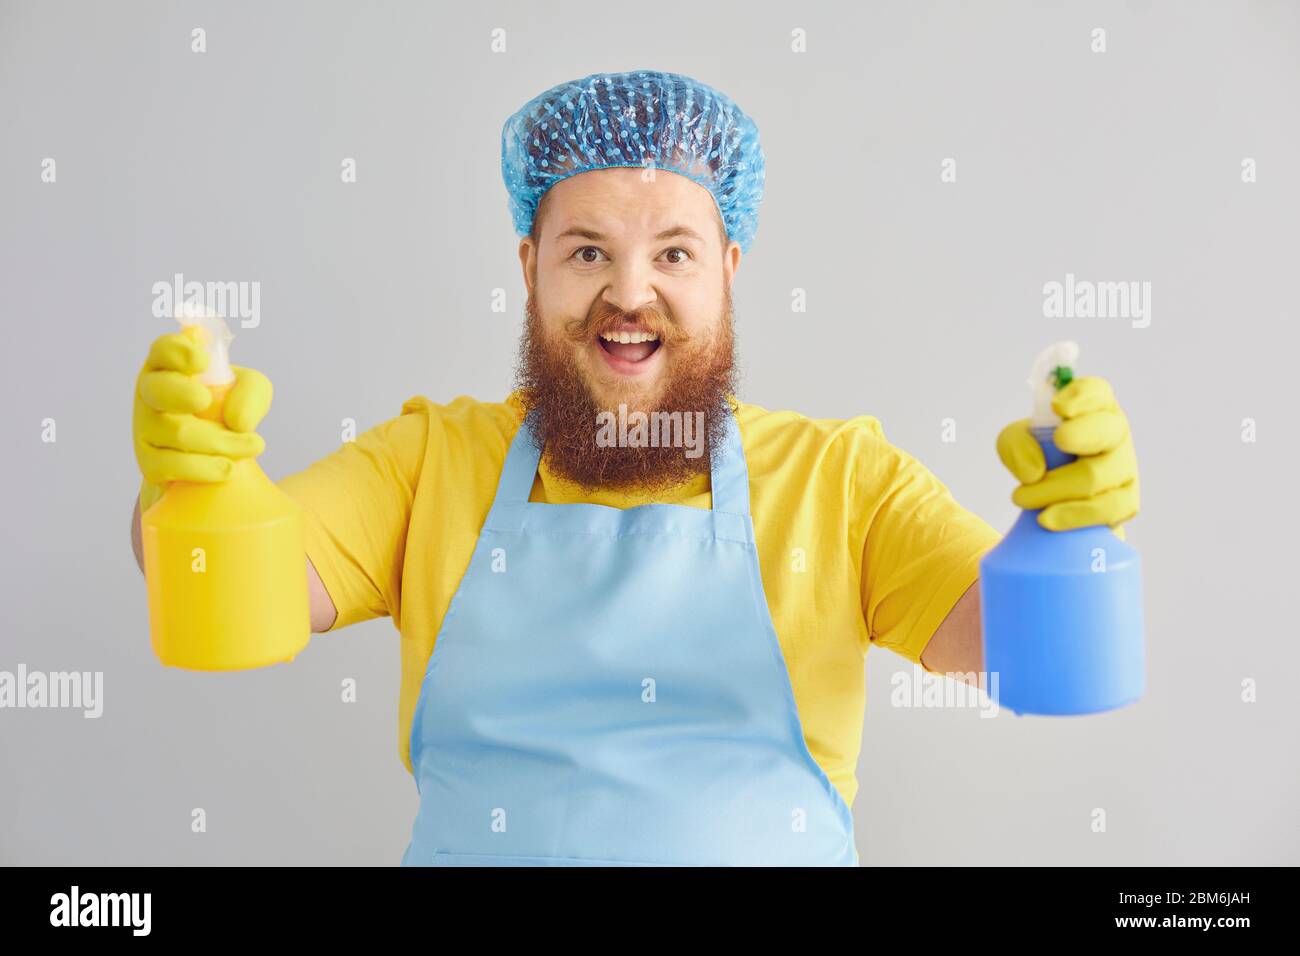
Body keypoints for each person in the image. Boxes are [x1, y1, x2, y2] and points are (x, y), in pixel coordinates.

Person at [129, 70, 1139, 866]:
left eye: (673, 253)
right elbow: (233, 588)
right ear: (527, 266)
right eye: (585, 252)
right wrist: (189, 484)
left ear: (729, 269)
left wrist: (1074, 528)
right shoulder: (429, 461)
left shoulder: (841, 480)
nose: (629, 292)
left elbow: (1021, 651)